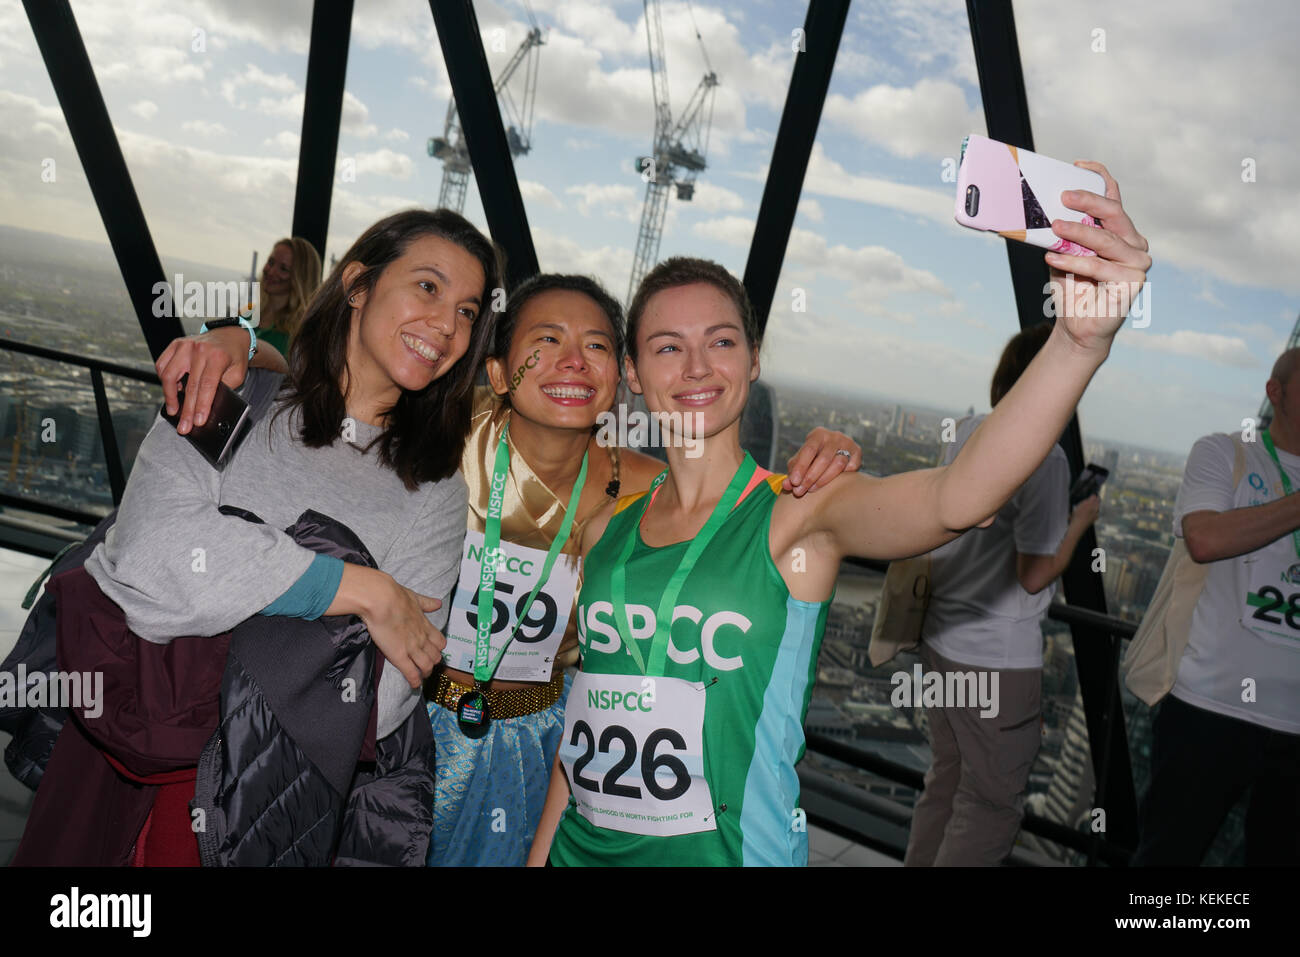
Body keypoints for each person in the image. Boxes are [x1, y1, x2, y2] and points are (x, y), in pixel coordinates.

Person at [528, 161, 1149, 866]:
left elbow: (957, 497)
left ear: (754, 359)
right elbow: (589, 721)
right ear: (635, 374)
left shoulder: (802, 514)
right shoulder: (606, 532)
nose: (697, 367)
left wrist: (1076, 344)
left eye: (721, 340)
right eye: (668, 347)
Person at [182, 271, 865, 866]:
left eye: (596, 344)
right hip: (404, 717)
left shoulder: (645, 491)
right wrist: (240, 340)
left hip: (535, 744)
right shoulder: (450, 431)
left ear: (619, 380)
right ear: (500, 371)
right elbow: (328, 378)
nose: (572, 361)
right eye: (546, 341)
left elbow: (738, 503)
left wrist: (825, 456)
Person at [20, 208, 501, 864]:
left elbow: (382, 699)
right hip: (116, 760)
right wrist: (355, 587)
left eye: (469, 311)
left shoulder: (438, 493)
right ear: (358, 284)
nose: (448, 324)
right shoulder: (234, 396)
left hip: (259, 810)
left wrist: (218, 586)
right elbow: (149, 554)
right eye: (427, 287)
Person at [902, 321, 1100, 867]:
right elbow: (1035, 575)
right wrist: (1079, 522)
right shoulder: (1048, 458)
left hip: (942, 639)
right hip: (995, 658)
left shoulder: (967, 430)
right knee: (990, 804)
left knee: (945, 780)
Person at [1131, 349, 1300, 866]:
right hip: (1209, 706)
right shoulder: (1224, 453)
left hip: (1296, 725)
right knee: (1167, 862)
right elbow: (1203, 537)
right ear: (1276, 393)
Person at [255, 236, 322, 355]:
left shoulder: (299, 334)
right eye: (271, 262)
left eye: (283, 269)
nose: (271, 272)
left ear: (300, 279)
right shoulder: (247, 313)